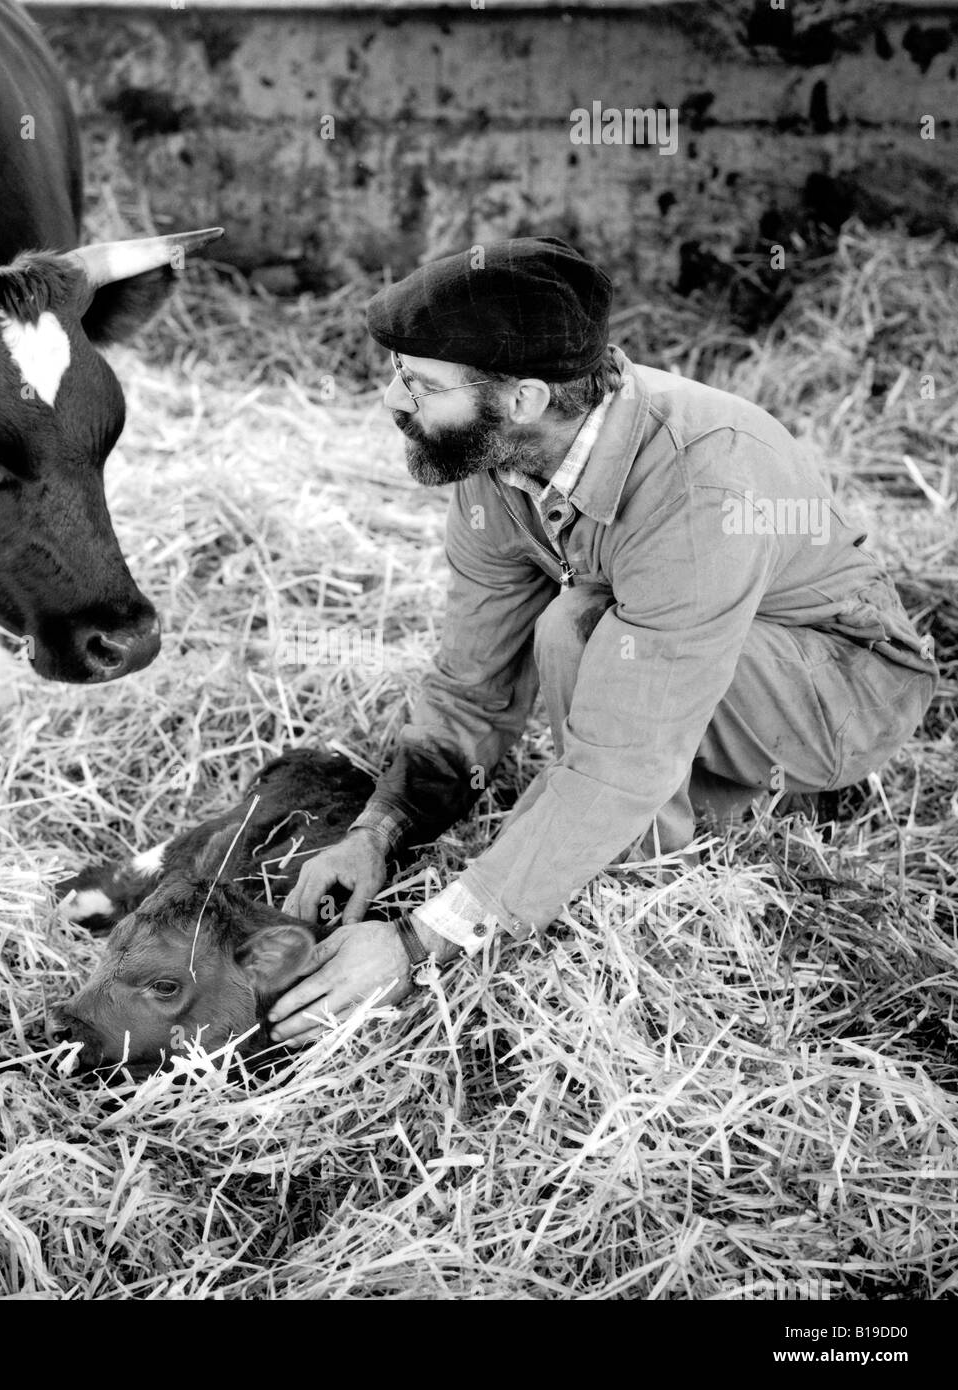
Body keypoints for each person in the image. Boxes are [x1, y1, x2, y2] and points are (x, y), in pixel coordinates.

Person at [267, 235, 938, 1046]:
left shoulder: (702, 483)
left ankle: (663, 874)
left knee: (580, 629)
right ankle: (665, 825)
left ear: (521, 400)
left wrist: (418, 943)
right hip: (690, 656)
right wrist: (377, 833)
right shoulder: (496, 466)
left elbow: (620, 758)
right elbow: (469, 683)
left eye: (420, 383)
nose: (390, 399)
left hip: (836, 684)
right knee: (580, 628)